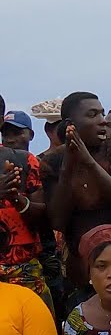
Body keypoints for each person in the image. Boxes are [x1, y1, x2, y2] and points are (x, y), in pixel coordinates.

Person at [44, 91, 111, 305]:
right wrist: (70, 165)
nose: (103, 121)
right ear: (70, 124)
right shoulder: (53, 160)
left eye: (102, 113)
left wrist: (89, 162)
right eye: (93, 115)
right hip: (79, 266)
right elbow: (57, 220)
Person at [0, 115, 51, 308]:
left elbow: (44, 216)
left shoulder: (26, 161)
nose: (10, 138)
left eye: (16, 132)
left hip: (23, 270)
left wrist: (15, 198)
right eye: (6, 133)